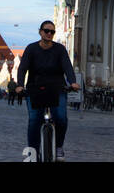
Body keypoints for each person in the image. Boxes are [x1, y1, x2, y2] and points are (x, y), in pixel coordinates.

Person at [17, 21, 78, 160]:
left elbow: (67, 67)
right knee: (34, 120)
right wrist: (20, 85)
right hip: (35, 88)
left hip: (57, 88)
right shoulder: (31, 49)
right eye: (46, 31)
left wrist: (73, 82)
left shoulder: (60, 49)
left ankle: (59, 147)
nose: (49, 34)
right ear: (40, 32)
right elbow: (22, 68)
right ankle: (32, 153)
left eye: (52, 32)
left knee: (61, 118)